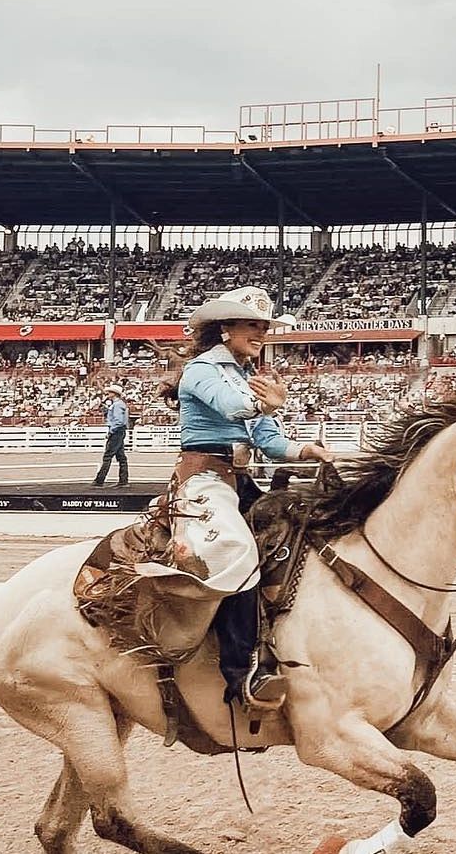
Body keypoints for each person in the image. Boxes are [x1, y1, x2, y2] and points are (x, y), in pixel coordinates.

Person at [160, 286, 335, 709]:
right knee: (237, 548)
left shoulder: (244, 374)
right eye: (252, 325)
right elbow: (232, 408)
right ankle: (242, 672)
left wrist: (306, 450)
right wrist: (267, 405)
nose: (261, 333)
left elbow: (270, 442)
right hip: (203, 480)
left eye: (263, 326)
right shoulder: (202, 370)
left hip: (236, 480)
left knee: (299, 532)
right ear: (226, 330)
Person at [92, 383, 129, 487]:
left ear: (114, 394)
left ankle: (100, 480)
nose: (107, 394)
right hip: (119, 431)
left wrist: (111, 431)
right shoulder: (119, 404)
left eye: (110, 392)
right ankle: (123, 480)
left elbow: (118, 421)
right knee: (121, 457)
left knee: (108, 455)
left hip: (116, 431)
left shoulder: (117, 405)